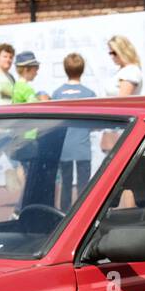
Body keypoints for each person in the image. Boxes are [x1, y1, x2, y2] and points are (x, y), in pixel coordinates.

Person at [52, 53, 97, 206]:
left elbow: (55, 122)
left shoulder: (57, 94)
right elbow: (95, 122)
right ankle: (83, 212)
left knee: (66, 183)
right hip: (82, 148)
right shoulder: (89, 94)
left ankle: (65, 214)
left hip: (64, 148)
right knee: (84, 186)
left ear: (65, 69)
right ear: (82, 69)